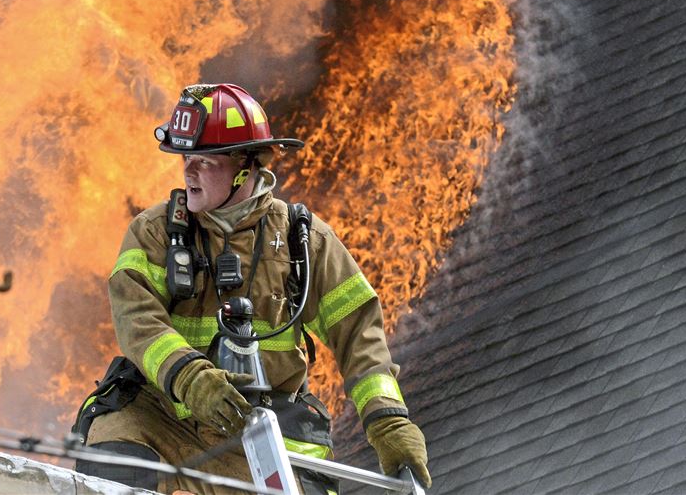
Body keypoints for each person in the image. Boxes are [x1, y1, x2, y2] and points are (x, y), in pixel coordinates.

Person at [74, 83, 430, 494]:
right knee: (113, 447)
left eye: (203, 162)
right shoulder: (155, 233)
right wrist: (190, 379)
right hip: (163, 417)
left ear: (246, 165)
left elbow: (359, 335)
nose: (188, 172)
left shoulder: (303, 241)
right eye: (185, 158)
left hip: (259, 430)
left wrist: (388, 421)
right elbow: (138, 320)